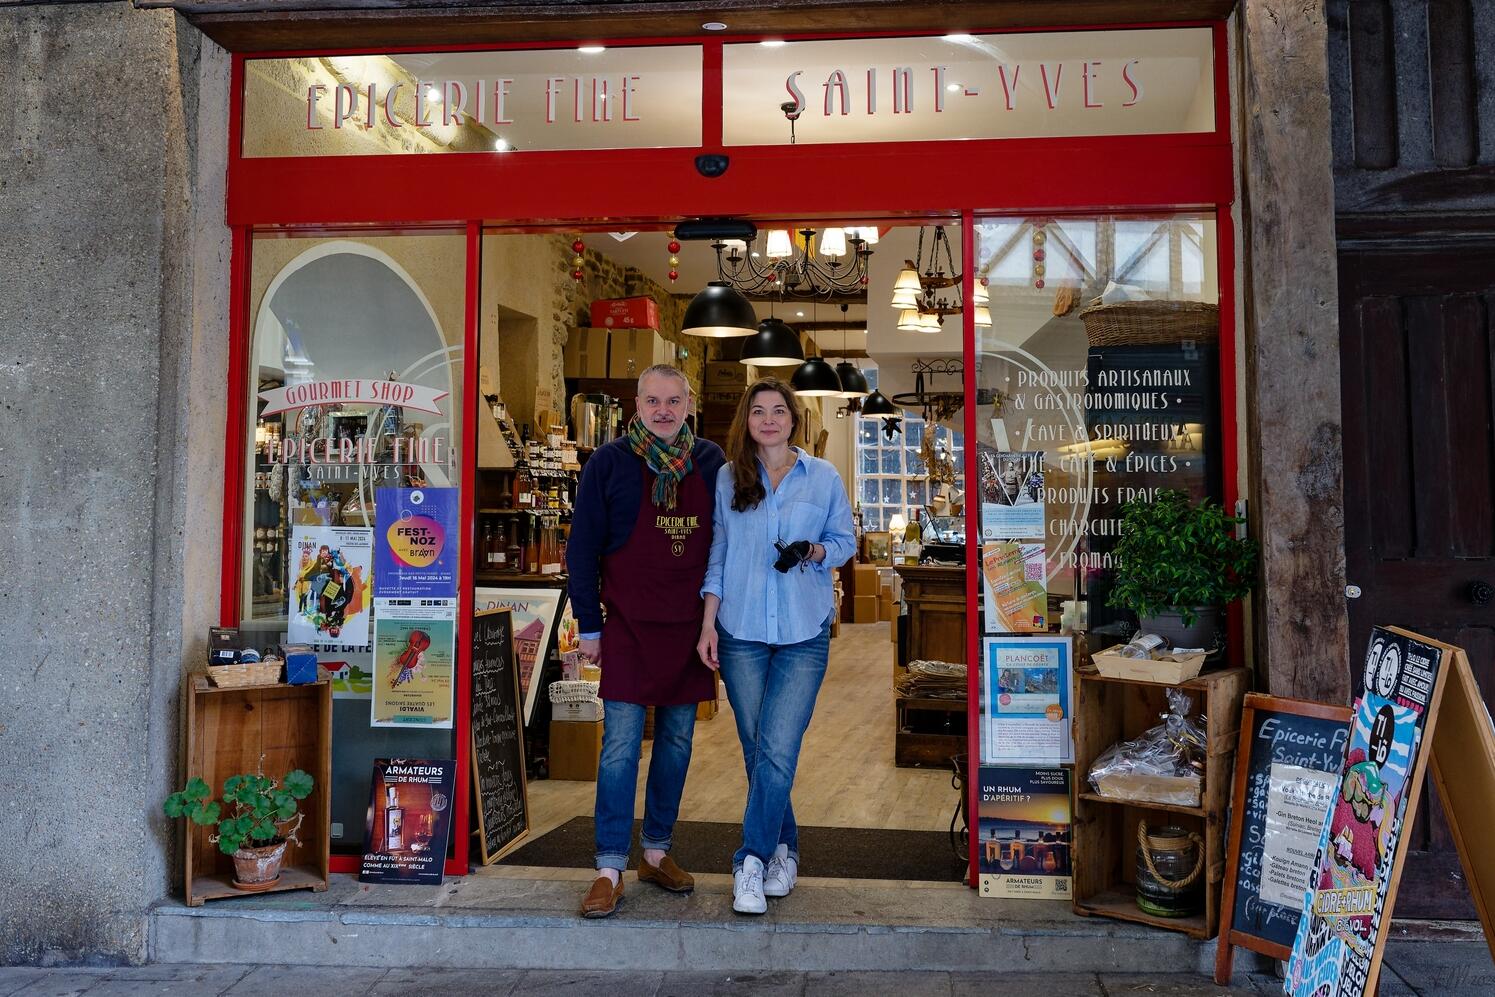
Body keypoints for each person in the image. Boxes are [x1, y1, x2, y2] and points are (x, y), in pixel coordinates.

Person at [566, 365, 726, 919]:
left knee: (677, 747)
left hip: (688, 631)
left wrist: (717, 622)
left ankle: (656, 852)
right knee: (619, 750)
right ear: (636, 403)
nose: (663, 410)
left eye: (674, 401)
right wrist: (589, 625)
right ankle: (608, 867)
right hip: (627, 627)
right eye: (653, 400)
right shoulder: (607, 463)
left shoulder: (710, 463)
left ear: (689, 404)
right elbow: (581, 551)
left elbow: (724, 548)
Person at [695, 378, 855, 915]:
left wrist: (814, 550)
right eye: (759, 411)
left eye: (779, 411)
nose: (769, 419)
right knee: (759, 749)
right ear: (748, 420)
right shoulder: (727, 478)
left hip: (804, 633)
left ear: (794, 419)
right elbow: (717, 552)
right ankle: (785, 848)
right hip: (740, 630)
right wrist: (708, 625)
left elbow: (845, 543)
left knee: (778, 746)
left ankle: (751, 861)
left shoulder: (824, 477)